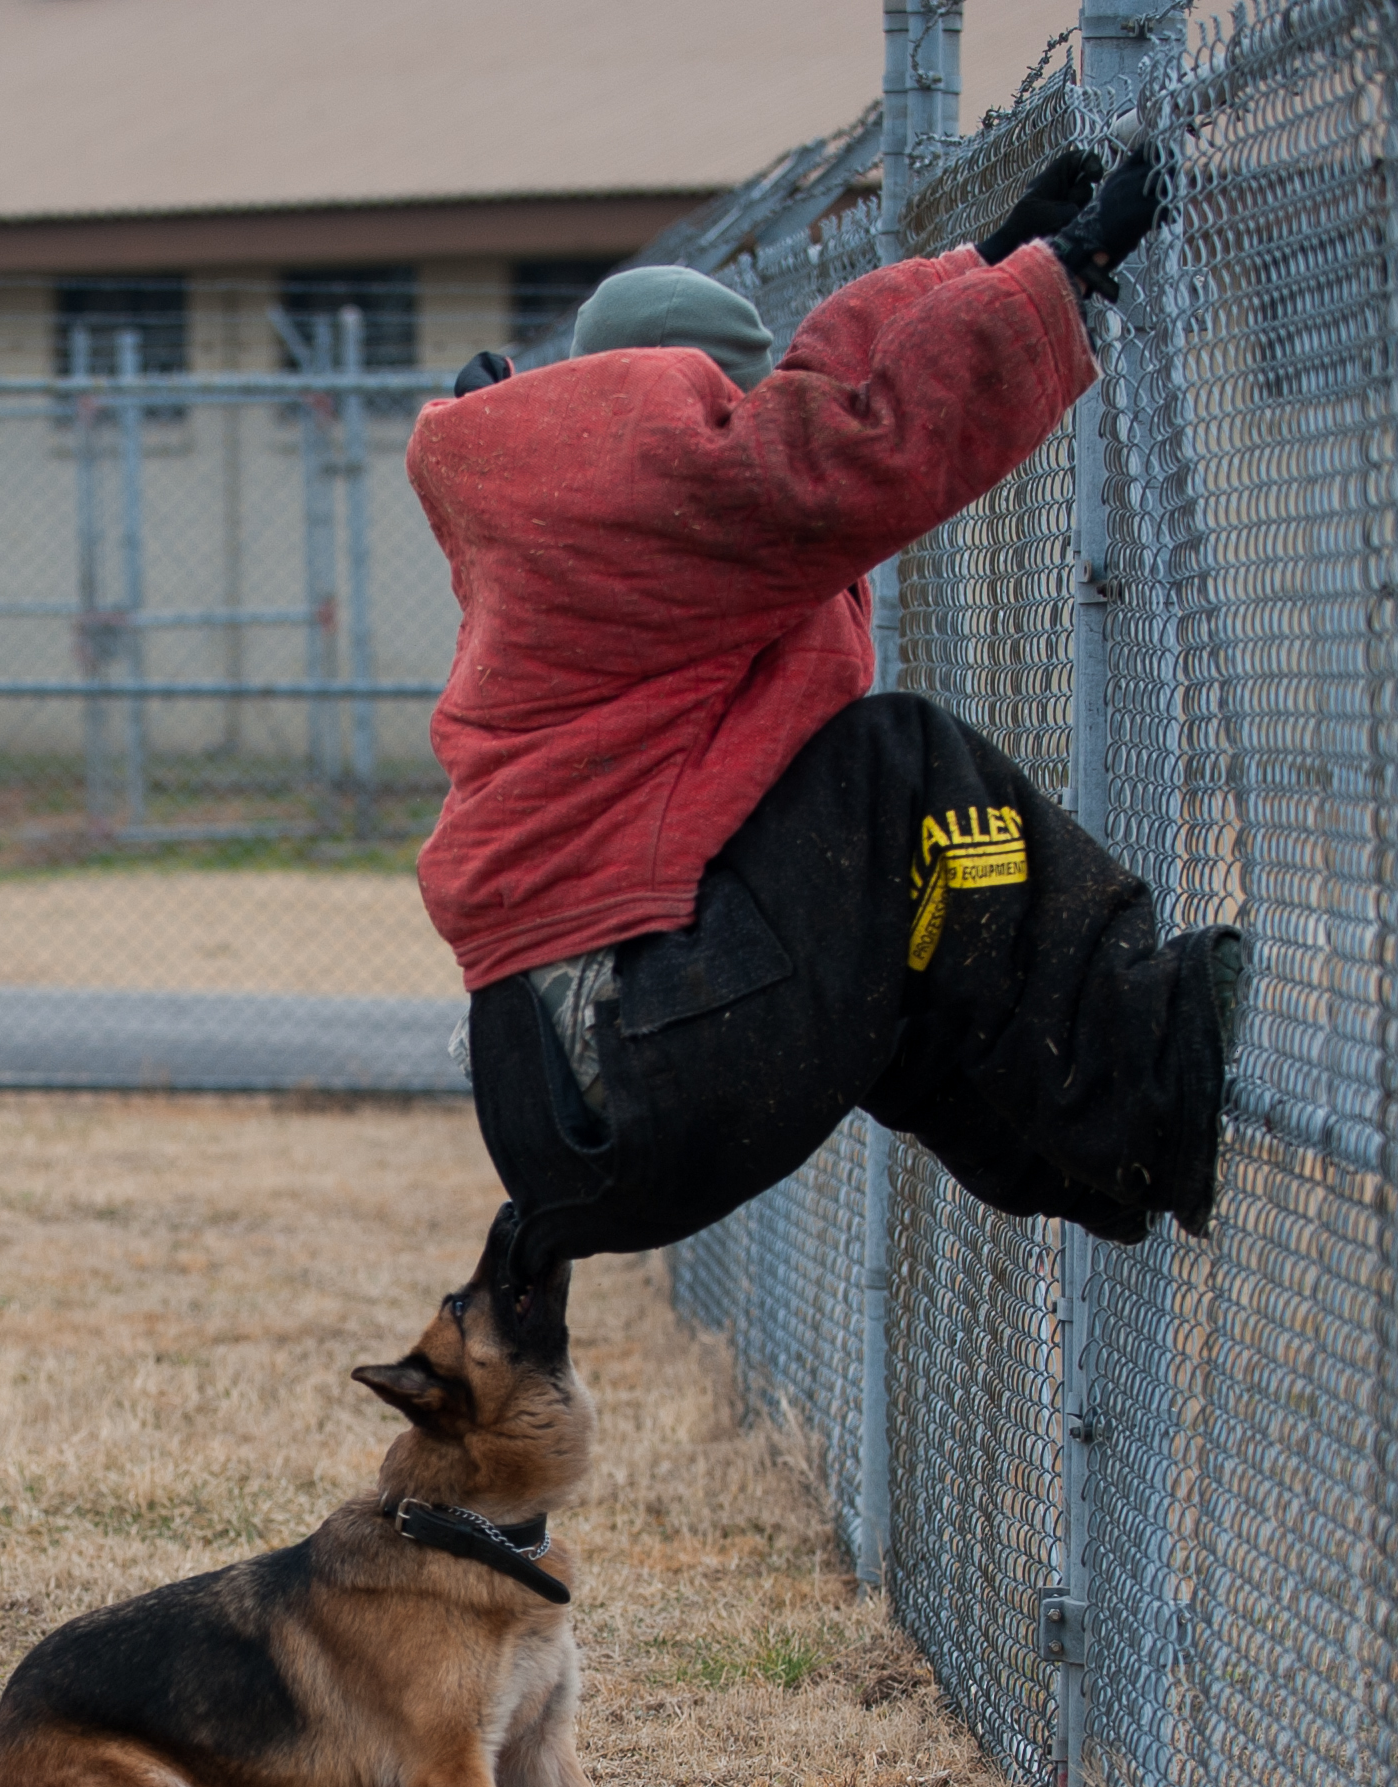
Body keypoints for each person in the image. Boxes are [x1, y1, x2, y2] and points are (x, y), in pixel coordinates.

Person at [411, 145, 1243, 1275]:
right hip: (619, 1042)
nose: (754, 422)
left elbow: (828, 387)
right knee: (896, 768)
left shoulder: (578, 494)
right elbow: (856, 440)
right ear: (688, 401)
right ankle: (1148, 1054)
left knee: (899, 931)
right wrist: (1062, 275)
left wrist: (981, 268)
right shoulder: (665, 481)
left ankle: (1096, 1155)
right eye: (739, 404)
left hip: (571, 1071)